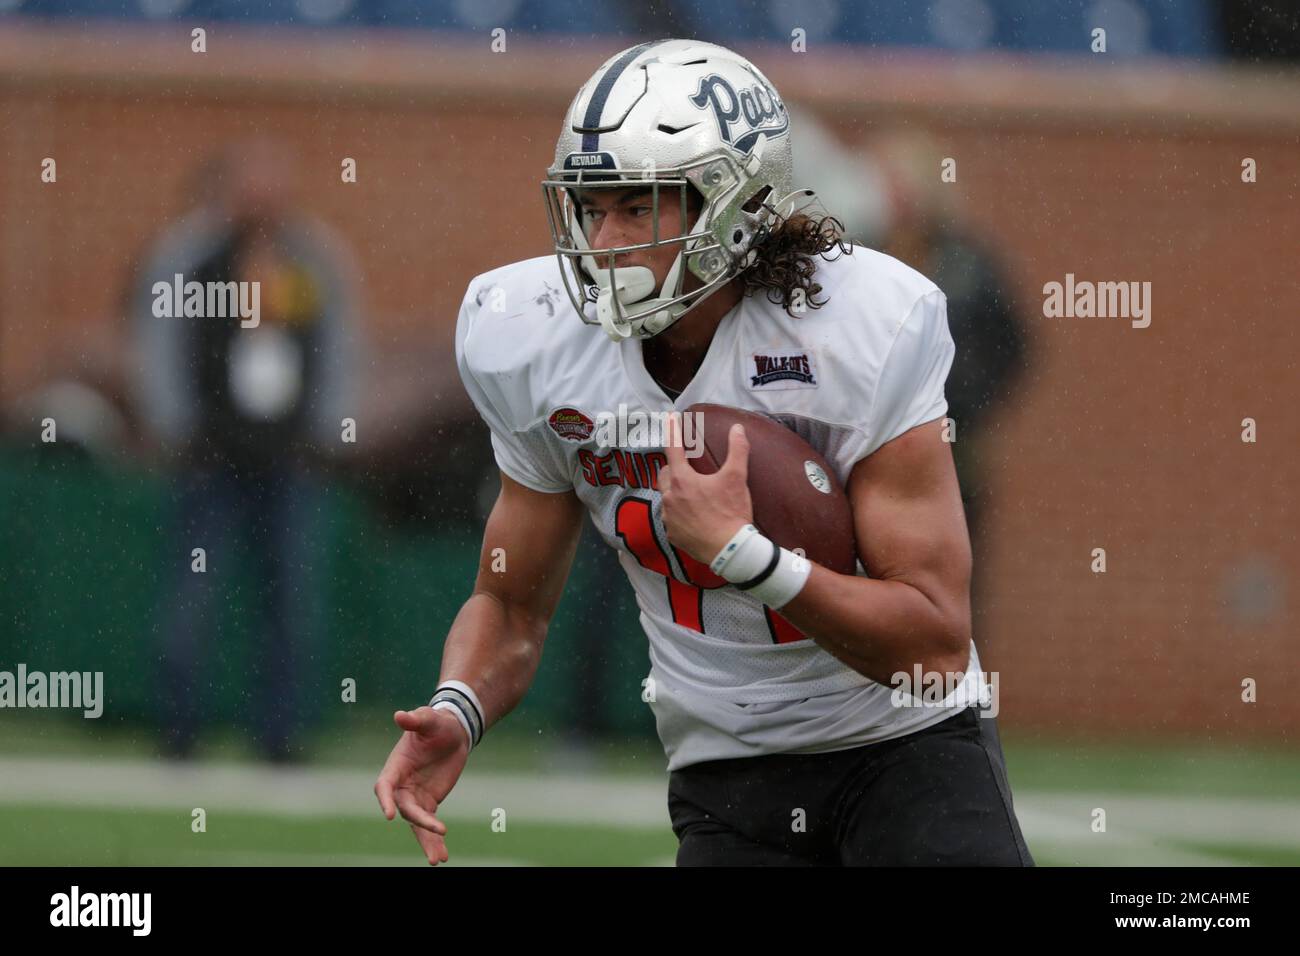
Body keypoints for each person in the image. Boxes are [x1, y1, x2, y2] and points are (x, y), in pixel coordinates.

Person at [375, 39, 1033, 866]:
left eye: (637, 207)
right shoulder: (531, 339)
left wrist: (746, 557)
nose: (601, 240)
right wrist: (460, 703)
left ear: (733, 205)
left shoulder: (861, 326)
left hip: (905, 745)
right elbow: (510, 606)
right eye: (589, 207)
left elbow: (934, 647)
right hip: (729, 768)